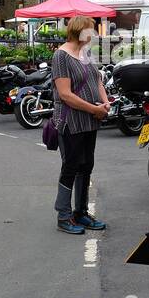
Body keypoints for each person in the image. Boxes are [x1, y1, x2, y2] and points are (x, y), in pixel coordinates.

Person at [51, 16, 110, 235]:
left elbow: (97, 81)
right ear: (79, 31)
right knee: (71, 166)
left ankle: (81, 212)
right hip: (70, 121)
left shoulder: (86, 53)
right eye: (90, 30)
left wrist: (105, 103)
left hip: (89, 119)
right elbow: (65, 94)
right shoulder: (61, 56)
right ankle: (63, 216)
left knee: (86, 166)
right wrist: (94, 109)